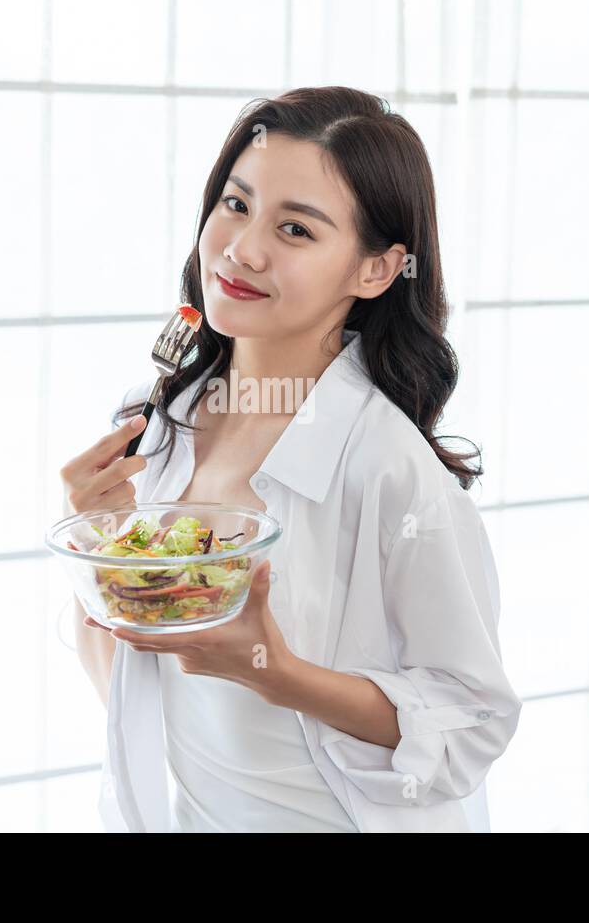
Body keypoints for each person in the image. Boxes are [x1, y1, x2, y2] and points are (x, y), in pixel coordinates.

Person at [60, 86, 522, 832]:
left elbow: (472, 723)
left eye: (297, 229)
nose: (243, 249)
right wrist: (102, 554)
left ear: (375, 270)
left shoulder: (389, 470)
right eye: (236, 205)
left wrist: (274, 670)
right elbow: (135, 695)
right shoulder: (153, 428)